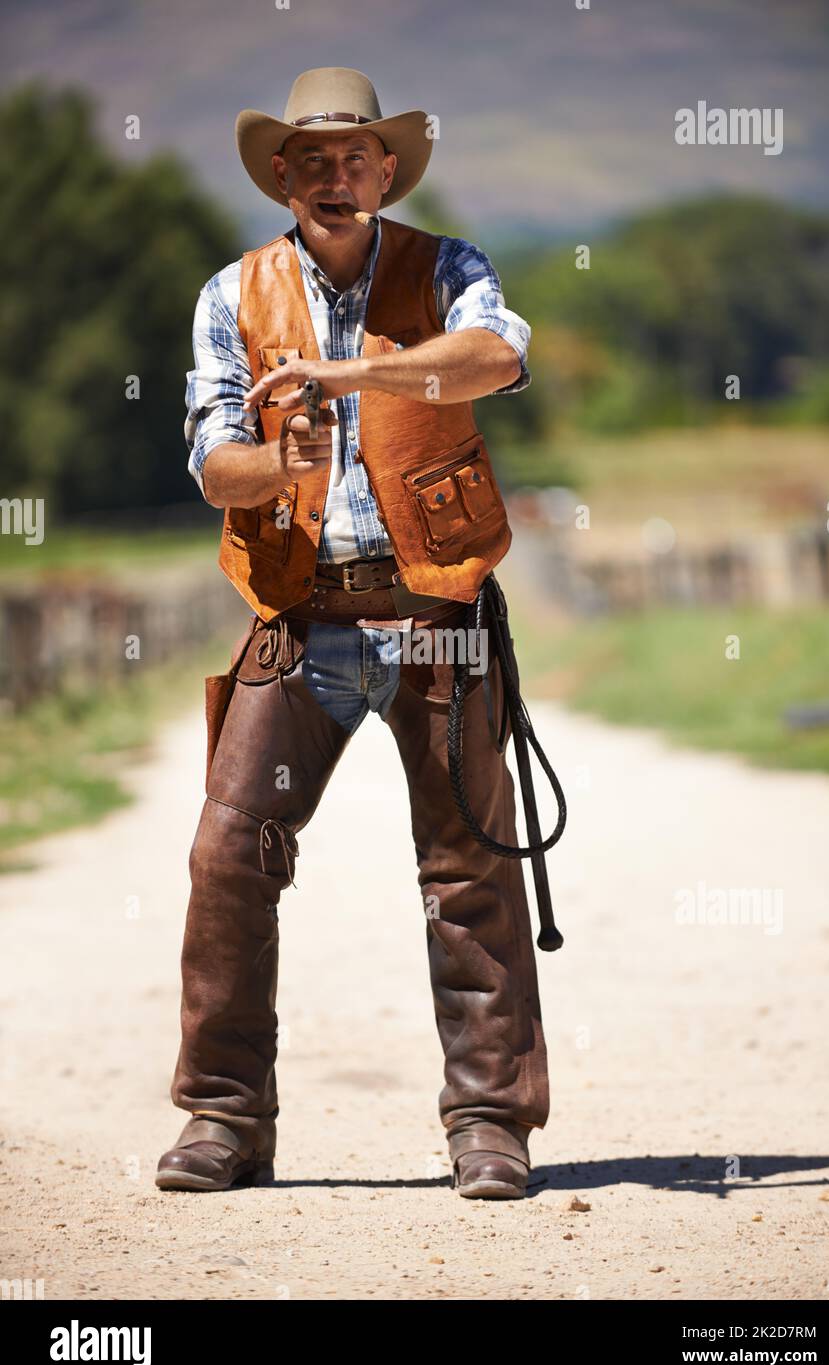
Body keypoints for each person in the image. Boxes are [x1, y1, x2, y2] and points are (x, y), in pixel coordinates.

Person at [155, 66, 550, 1200]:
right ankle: (223, 1119)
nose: (337, 177)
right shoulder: (231, 293)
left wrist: (349, 371)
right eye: (313, 160)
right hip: (303, 619)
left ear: (388, 171)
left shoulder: (452, 268)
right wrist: (274, 464)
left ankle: (490, 1125)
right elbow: (211, 462)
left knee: (469, 866)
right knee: (229, 857)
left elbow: (498, 358)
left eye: (357, 158)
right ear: (284, 176)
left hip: (437, 614)